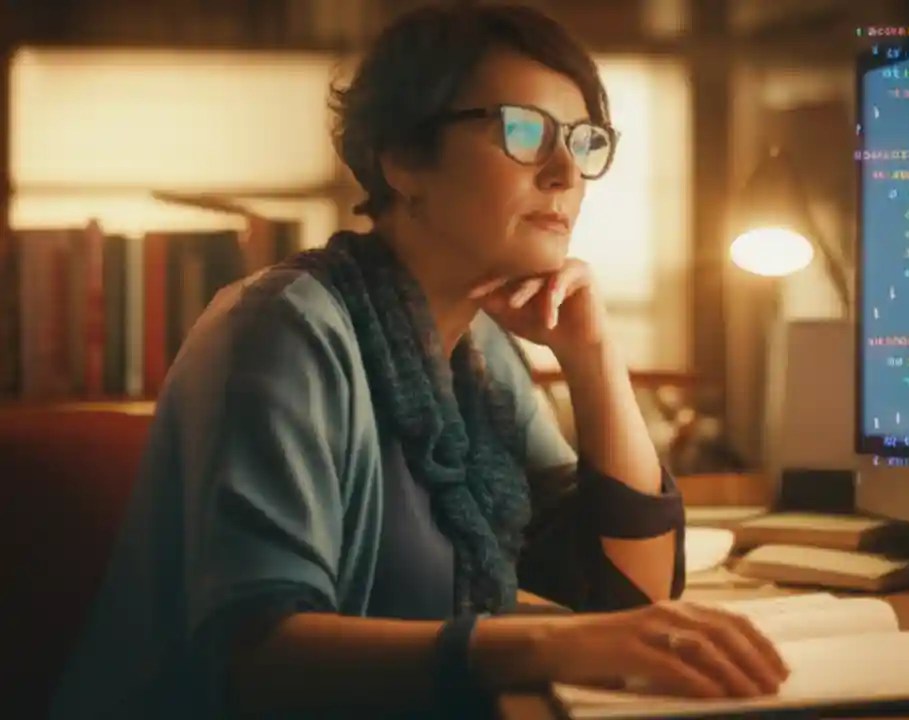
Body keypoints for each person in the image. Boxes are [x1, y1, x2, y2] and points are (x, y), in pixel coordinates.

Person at [51, 3, 789, 718]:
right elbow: (257, 659)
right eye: (525, 132)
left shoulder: (483, 354)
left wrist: (594, 358)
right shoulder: (281, 331)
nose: (567, 171)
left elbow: (631, 597)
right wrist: (541, 645)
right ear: (403, 159)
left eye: (584, 139)